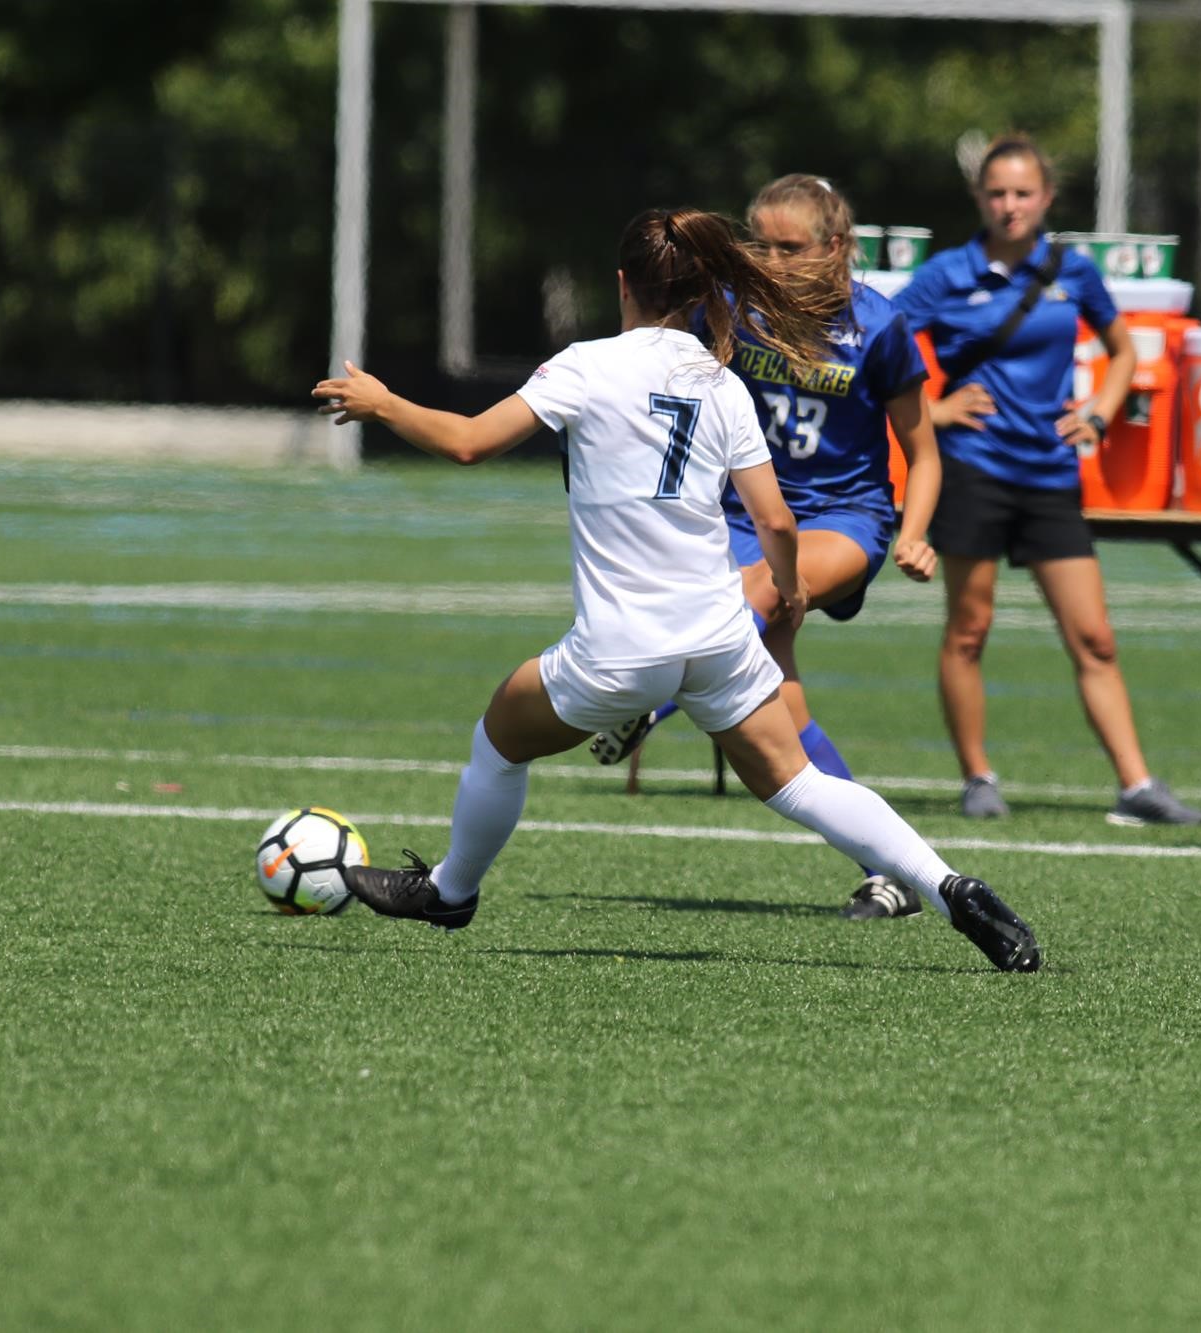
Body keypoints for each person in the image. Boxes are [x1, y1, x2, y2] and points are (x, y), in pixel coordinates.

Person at [309, 206, 1041, 972]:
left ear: (622, 284)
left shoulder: (585, 365)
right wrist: (786, 588)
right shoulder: (718, 381)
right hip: (720, 638)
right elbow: (777, 520)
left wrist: (383, 403)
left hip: (621, 650)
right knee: (801, 784)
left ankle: (452, 892)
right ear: (696, 294)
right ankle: (952, 884)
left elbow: (466, 443)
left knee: (497, 739)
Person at [584, 175, 946, 922]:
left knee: (752, 590)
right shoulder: (733, 309)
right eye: (762, 244)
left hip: (846, 519)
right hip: (749, 515)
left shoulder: (878, 325)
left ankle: (650, 696)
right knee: (781, 704)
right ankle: (890, 872)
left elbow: (924, 448)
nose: (773, 261)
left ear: (837, 248)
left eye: (792, 247)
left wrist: (914, 534)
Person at [892, 134, 1201, 827]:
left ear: (1047, 198)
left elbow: (1123, 351)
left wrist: (1097, 412)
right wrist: (935, 409)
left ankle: (1137, 785)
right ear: (979, 197)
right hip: (974, 470)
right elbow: (874, 341)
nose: (1010, 206)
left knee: (1095, 637)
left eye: (1023, 193)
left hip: (1050, 474)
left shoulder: (1074, 270)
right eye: (997, 193)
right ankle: (977, 776)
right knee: (969, 631)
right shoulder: (947, 273)